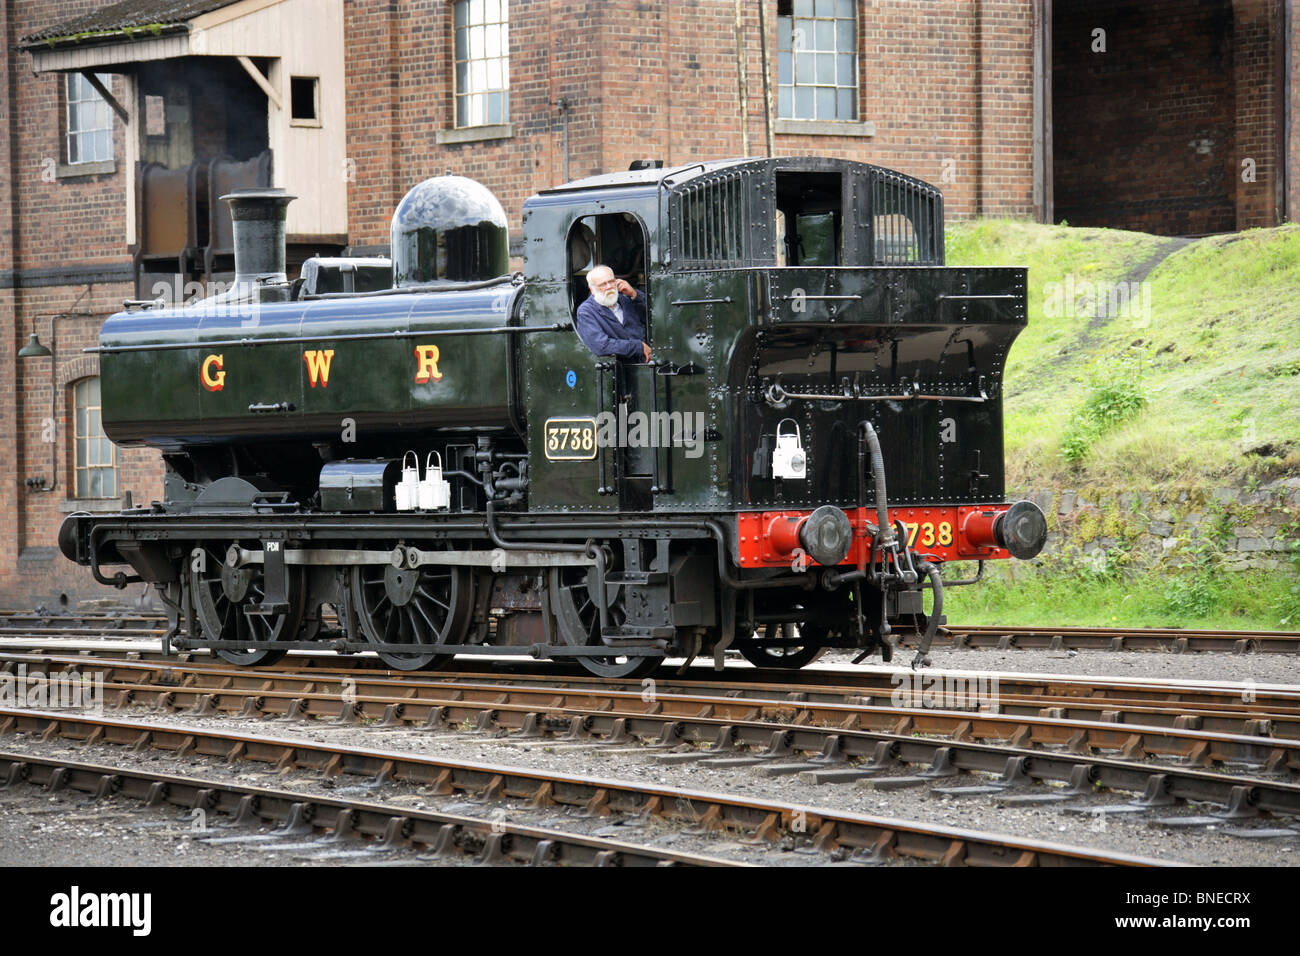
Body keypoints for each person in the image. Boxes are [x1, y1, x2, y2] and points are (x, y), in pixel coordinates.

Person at [575, 265, 651, 363]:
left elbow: (655, 318)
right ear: (592, 289)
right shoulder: (586, 311)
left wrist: (634, 294)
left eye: (611, 281)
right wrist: (639, 347)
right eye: (603, 284)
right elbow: (601, 346)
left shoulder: (626, 299)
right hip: (618, 371)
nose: (609, 287)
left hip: (645, 365)